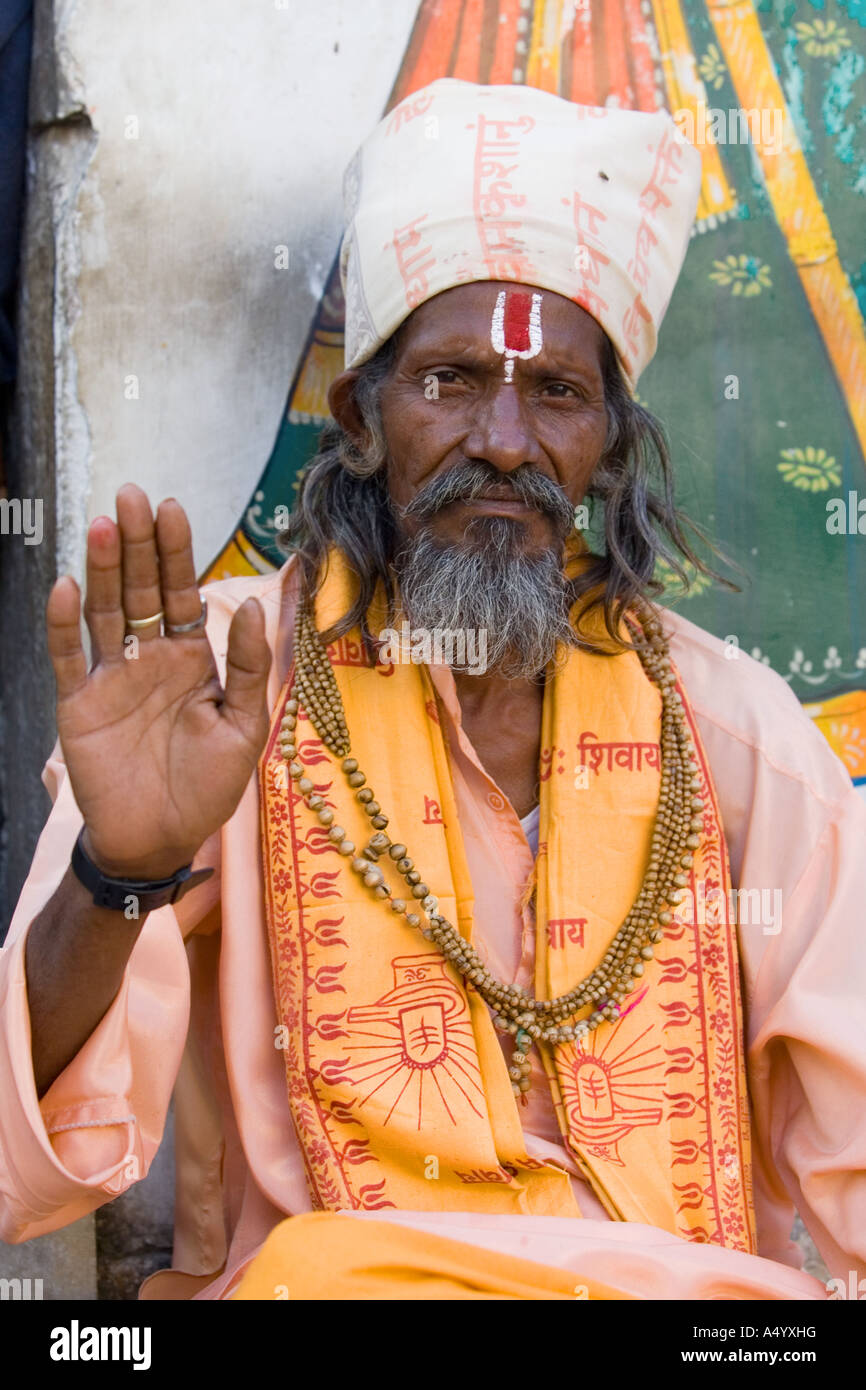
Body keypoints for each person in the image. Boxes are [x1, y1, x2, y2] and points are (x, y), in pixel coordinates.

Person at [1, 78, 864, 1301]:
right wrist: (117, 875)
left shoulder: (732, 737)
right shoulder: (216, 691)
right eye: (454, 379)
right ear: (363, 413)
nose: (504, 439)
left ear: (606, 444)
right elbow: (19, 1167)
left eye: (555, 393)